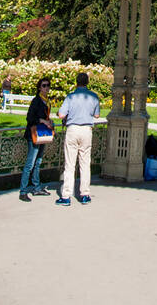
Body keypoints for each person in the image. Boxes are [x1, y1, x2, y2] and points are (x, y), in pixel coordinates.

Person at [57, 72, 101, 205]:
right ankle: (85, 194)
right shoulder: (93, 97)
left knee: (70, 164)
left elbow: (61, 114)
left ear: (76, 82)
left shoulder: (70, 97)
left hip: (73, 129)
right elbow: (97, 115)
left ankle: (66, 196)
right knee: (85, 163)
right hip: (87, 130)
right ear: (87, 82)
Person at [19, 78, 54, 201]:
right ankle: (23, 190)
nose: (46, 88)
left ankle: (36, 186)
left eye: (48, 86)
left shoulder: (46, 101)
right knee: (30, 162)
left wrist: (49, 121)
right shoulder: (36, 101)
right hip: (34, 134)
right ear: (39, 87)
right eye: (44, 86)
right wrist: (42, 120)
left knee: (38, 162)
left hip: (42, 134)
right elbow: (30, 118)